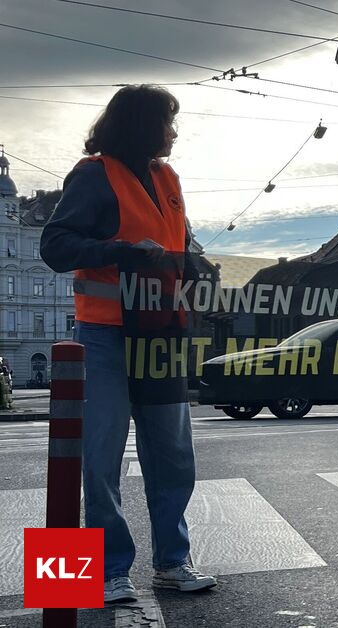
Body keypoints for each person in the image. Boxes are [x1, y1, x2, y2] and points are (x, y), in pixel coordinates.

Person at [41, 85, 216, 603]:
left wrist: (206, 273)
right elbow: (56, 245)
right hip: (105, 335)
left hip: (161, 334)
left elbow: (183, 249)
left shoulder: (168, 179)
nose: (173, 132)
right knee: (100, 457)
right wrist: (119, 251)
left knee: (173, 455)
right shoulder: (94, 174)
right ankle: (107, 572)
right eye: (167, 122)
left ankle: (172, 563)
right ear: (140, 124)